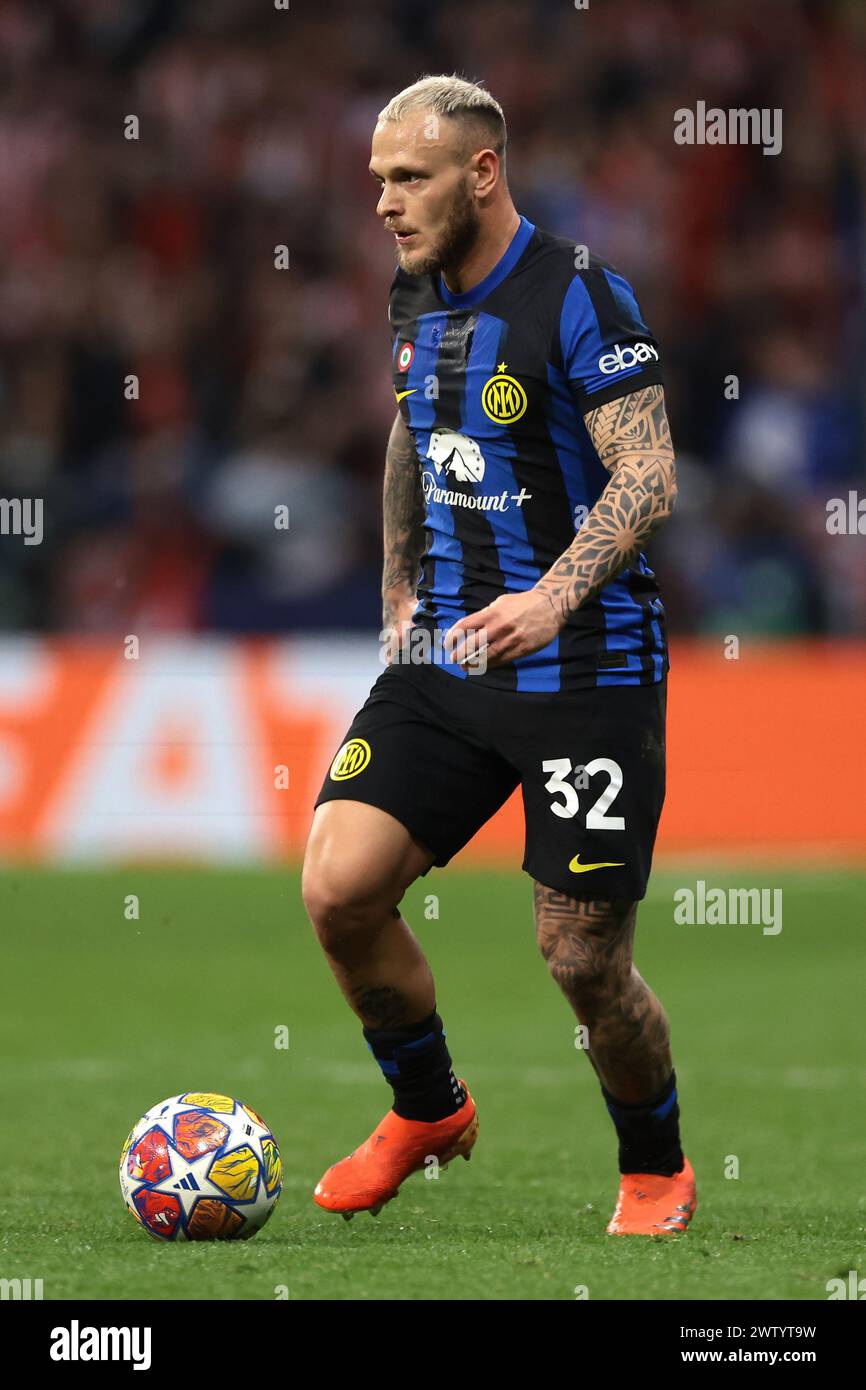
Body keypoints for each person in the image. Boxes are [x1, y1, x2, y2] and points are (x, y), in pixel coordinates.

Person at [302, 74, 694, 1235]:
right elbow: (408, 424)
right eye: (377, 179)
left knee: (577, 958)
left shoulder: (579, 295)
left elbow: (650, 473)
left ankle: (652, 1169)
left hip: (587, 670)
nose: (384, 201)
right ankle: (426, 1110)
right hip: (451, 656)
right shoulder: (411, 295)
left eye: (408, 177)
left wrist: (553, 597)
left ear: (482, 172)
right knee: (338, 885)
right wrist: (395, 579)